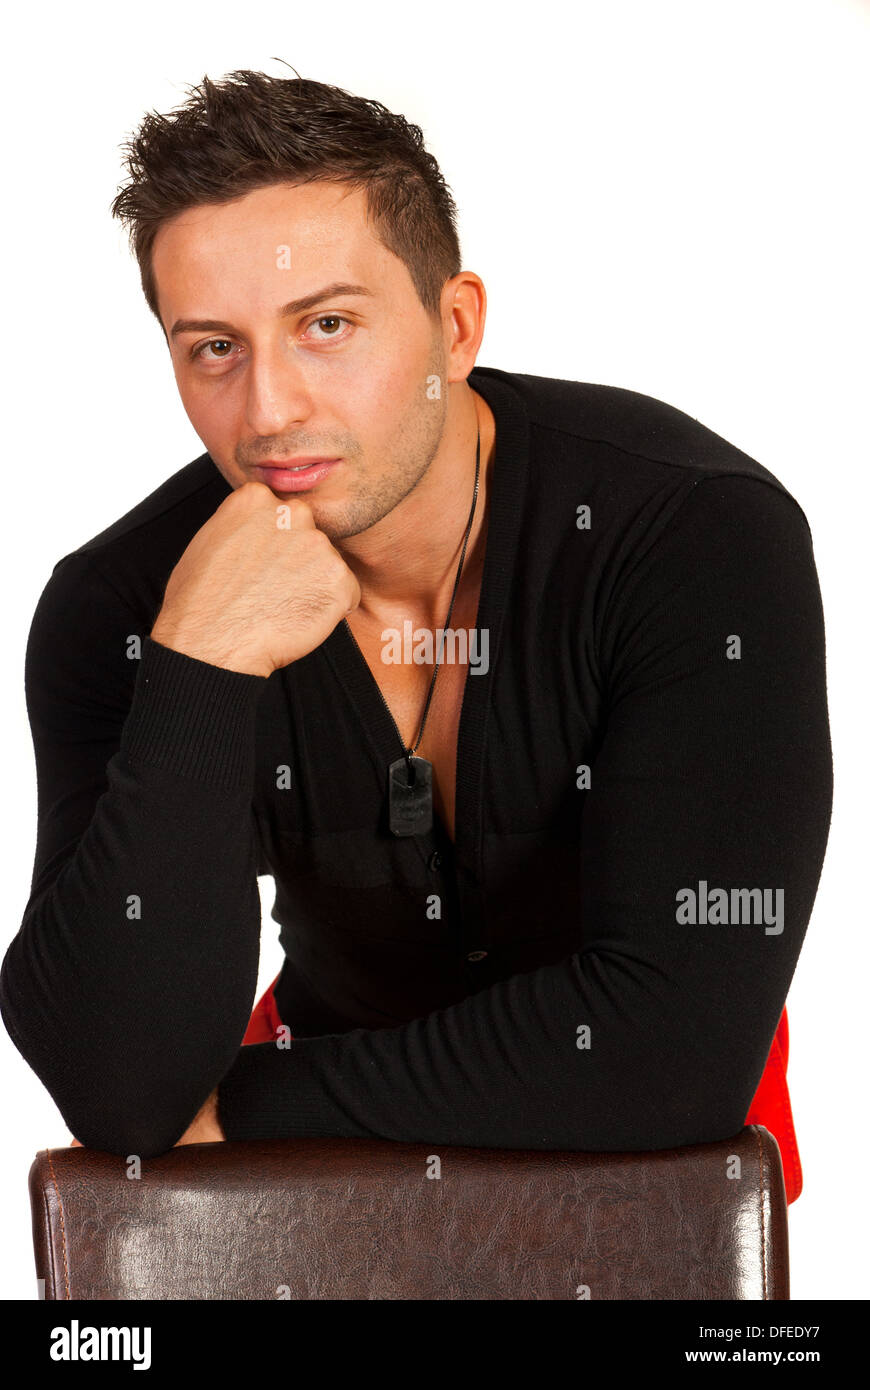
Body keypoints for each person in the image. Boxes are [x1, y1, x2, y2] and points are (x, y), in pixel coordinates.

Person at [1, 70, 832, 1204]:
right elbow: (115, 1083)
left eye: (327, 325)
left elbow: (667, 1047)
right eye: (214, 349)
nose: (271, 411)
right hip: (312, 1206)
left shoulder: (694, 534)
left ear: (455, 325)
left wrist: (249, 1102)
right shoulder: (122, 608)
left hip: (636, 1173)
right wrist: (200, 667)